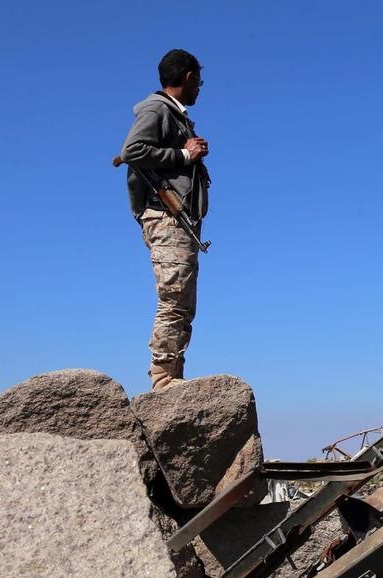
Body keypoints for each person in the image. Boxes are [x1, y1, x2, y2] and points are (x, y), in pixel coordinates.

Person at [119, 49, 210, 390]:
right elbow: (132, 151)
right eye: (199, 80)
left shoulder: (175, 114)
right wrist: (186, 154)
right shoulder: (158, 109)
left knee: (183, 300)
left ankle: (173, 372)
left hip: (178, 219)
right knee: (174, 296)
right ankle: (162, 378)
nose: (200, 87)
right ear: (188, 77)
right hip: (165, 217)